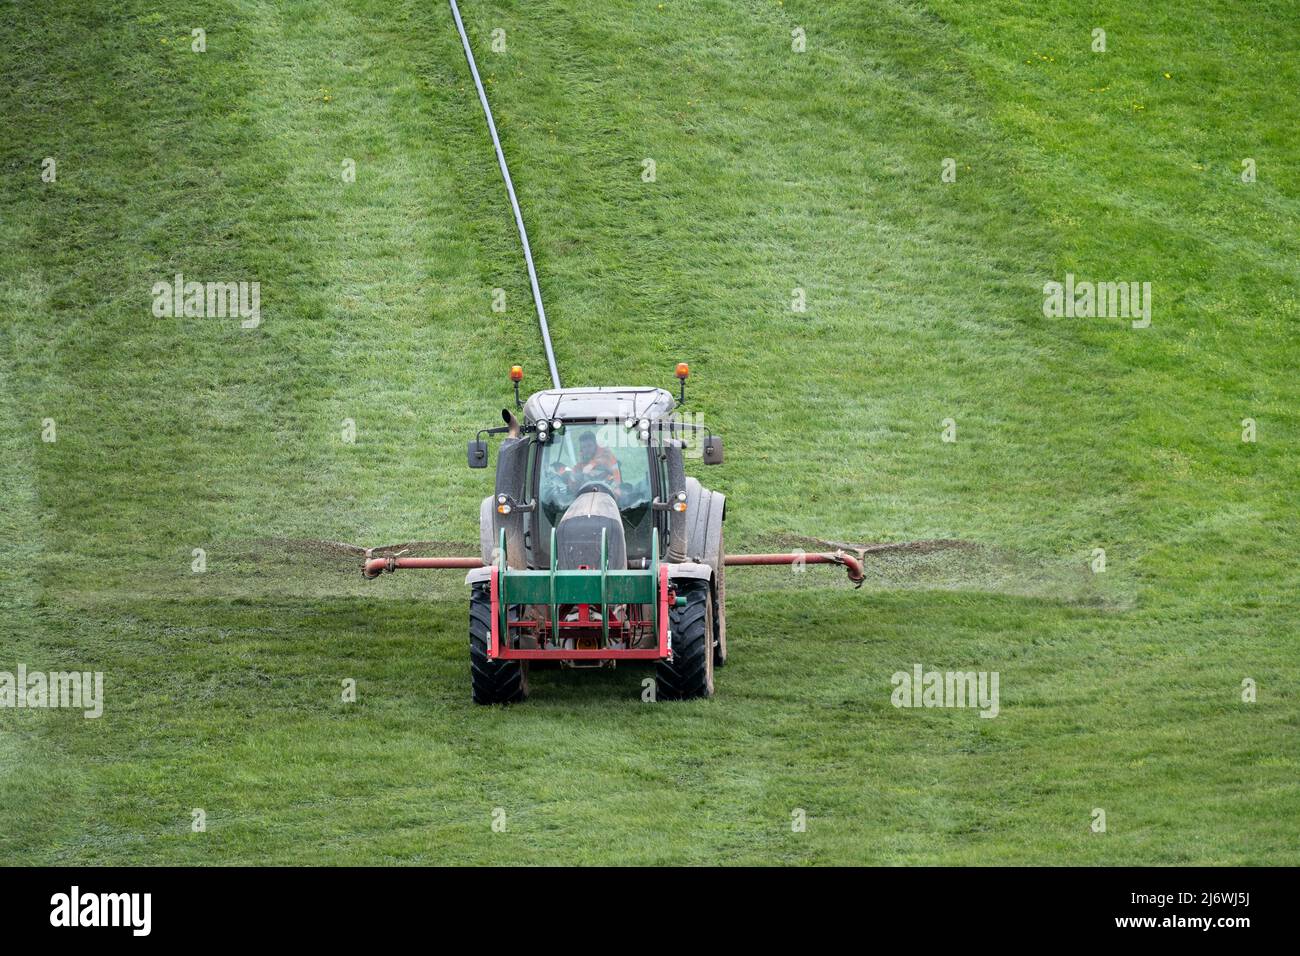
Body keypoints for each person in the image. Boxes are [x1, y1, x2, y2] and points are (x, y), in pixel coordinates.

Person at [554, 431, 622, 492]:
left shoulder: (607, 459)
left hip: (608, 495)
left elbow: (617, 482)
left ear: (595, 446)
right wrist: (576, 478)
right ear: (581, 449)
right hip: (586, 497)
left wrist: (595, 466)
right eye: (584, 447)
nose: (587, 449)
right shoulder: (579, 467)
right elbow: (572, 488)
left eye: (589, 446)